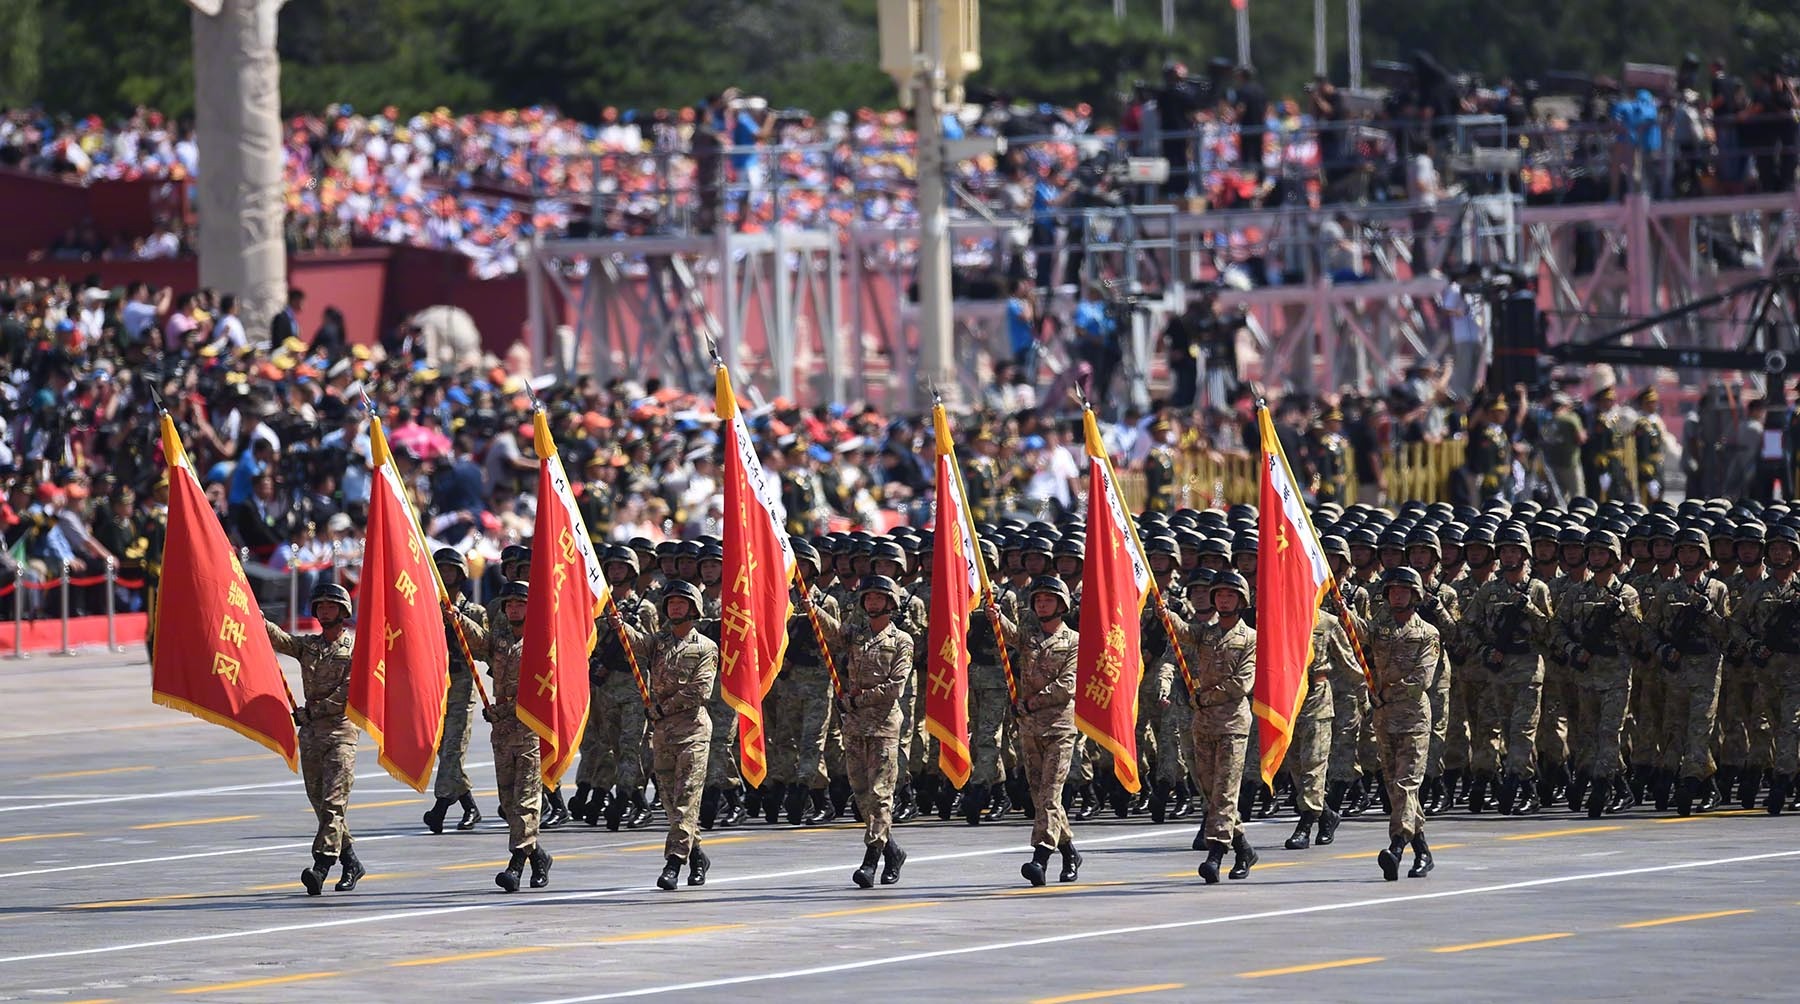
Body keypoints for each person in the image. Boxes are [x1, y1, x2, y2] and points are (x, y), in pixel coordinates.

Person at [803, 574, 914, 887]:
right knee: (863, 795)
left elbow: (895, 686)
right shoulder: (856, 634)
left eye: (879, 598)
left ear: (891, 603)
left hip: (883, 726)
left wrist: (858, 698)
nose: (873, 603)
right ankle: (892, 850)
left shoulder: (901, 640)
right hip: (853, 726)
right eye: (869, 598)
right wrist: (814, 608)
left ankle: (871, 859)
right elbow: (834, 633)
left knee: (880, 795)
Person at [613, 580, 718, 890]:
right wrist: (620, 625)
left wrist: (664, 708)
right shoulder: (659, 643)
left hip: (692, 733)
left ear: (694, 609)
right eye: (671, 602)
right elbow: (634, 643)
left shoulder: (705, 647)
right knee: (672, 803)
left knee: (686, 799)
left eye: (681, 603)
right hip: (663, 734)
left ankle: (673, 863)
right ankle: (697, 855)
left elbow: (700, 690)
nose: (674, 607)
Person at [453, 580, 553, 892]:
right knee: (508, 803)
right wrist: (457, 617)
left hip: (529, 732)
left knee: (525, 801)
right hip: (502, 733)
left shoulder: (541, 645)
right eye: (508, 604)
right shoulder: (501, 641)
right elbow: (480, 641)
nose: (512, 608)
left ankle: (515, 866)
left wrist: (506, 710)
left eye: (519, 604)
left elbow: (542, 692)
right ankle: (538, 856)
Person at [265, 582, 363, 896]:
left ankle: (320, 868)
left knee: (334, 804)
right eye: (320, 606)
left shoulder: (355, 651)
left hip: (340, 735)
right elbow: (280, 640)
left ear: (343, 611)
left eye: (330, 606)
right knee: (322, 805)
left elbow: (349, 694)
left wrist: (314, 711)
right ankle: (351, 861)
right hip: (311, 737)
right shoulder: (310, 646)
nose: (324, 611)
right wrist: (254, 617)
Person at [1168, 570, 1258, 882]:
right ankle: (1244, 847)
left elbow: (1242, 683)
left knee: (1225, 790)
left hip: (1232, 723)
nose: (1223, 599)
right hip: (1203, 724)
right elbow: (1182, 632)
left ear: (1242, 601)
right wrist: (1164, 611)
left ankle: (1216, 854)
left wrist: (1206, 697)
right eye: (1219, 594)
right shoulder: (1206, 633)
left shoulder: (1250, 638)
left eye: (1230, 595)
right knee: (1209, 789)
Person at [995, 575, 1082, 887]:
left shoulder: (1073, 641)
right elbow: (1009, 634)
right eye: (1039, 600)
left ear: (1061, 605)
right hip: (1030, 729)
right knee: (1040, 796)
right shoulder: (1029, 636)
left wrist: (1032, 703)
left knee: (1049, 794)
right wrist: (994, 612)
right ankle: (1069, 850)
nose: (1042, 604)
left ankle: (1040, 857)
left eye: (1049, 599)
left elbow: (1067, 685)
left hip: (1059, 727)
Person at [1357, 566, 1442, 880]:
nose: (1397, 595)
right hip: (1384, 718)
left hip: (1413, 719)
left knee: (1407, 784)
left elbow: (1421, 679)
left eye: (1403, 591)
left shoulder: (1427, 634)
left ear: (1416, 595)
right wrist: (1340, 608)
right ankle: (1422, 851)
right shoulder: (1380, 628)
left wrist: (1383, 691)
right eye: (1392, 591)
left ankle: (1396, 846)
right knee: (1396, 789)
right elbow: (1358, 632)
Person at [1645, 528, 1736, 816]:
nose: (1686, 555)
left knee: (1699, 730)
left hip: (1707, 671)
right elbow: (1648, 630)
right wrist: (1662, 651)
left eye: (1692, 550)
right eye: (1682, 550)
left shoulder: (1717, 589)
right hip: (1676, 672)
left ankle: (1689, 784)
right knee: (1677, 731)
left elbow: (1727, 634)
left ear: (1703, 555)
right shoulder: (1667, 591)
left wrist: (1710, 612)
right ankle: (1710, 787)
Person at [577, 544, 657, 830]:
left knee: (631, 746)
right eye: (611, 567)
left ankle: (625, 800)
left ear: (633, 571)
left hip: (634, 686)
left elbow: (651, 647)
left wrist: (628, 628)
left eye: (621, 567)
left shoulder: (644, 608)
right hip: (605, 688)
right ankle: (636, 801)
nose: (615, 571)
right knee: (611, 746)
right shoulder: (600, 605)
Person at [423, 548, 484, 834]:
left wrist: (458, 619)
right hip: (434, 688)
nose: (445, 575)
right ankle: (470, 805)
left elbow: (484, 644)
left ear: (460, 574)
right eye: (441, 570)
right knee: (439, 748)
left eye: (450, 570)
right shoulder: (425, 609)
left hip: (461, 688)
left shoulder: (473, 611)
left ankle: (440, 808)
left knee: (453, 749)